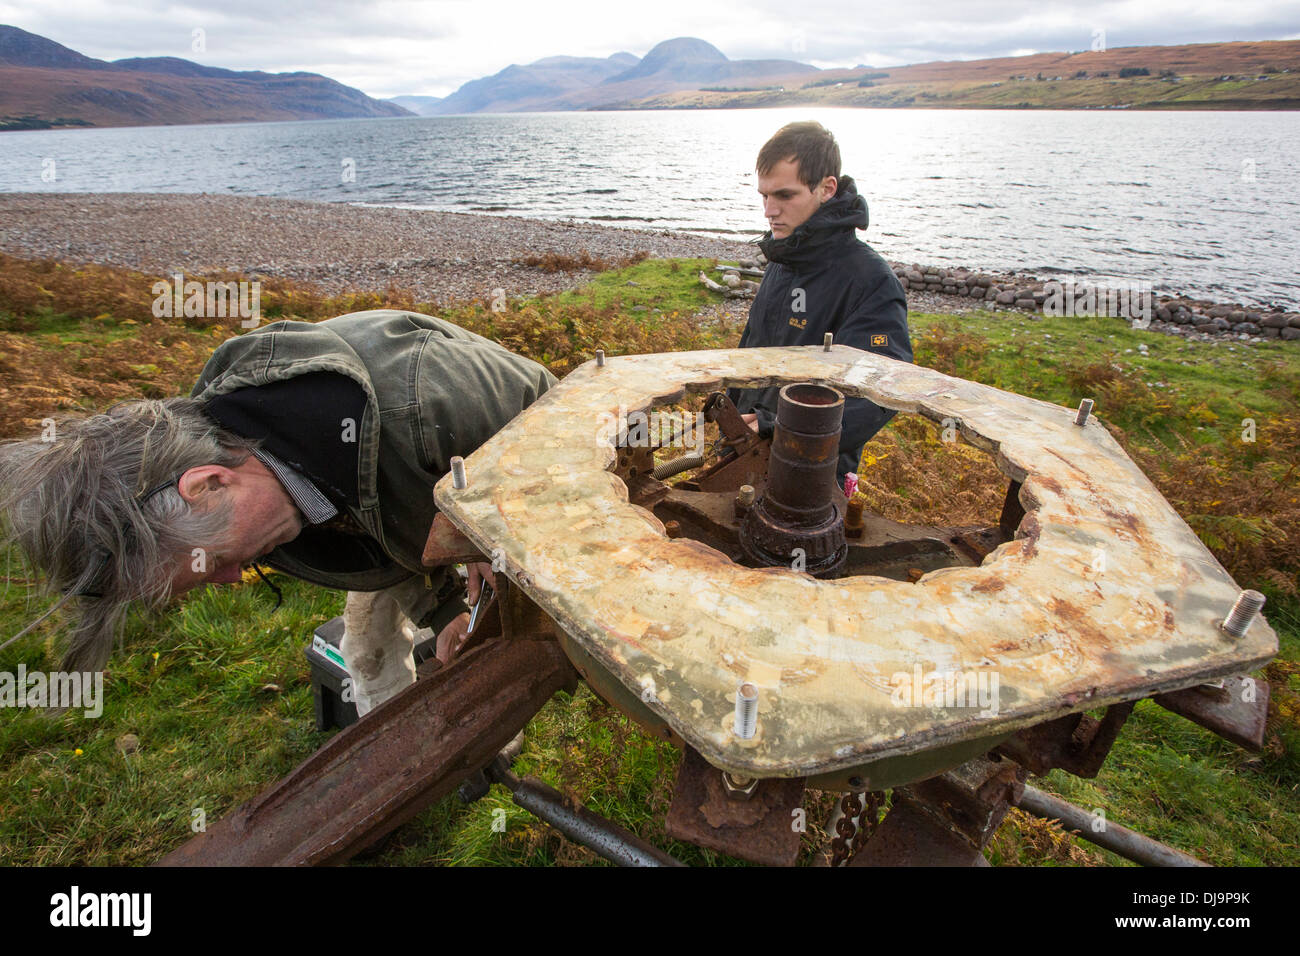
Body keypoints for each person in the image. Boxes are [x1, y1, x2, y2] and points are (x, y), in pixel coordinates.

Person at [1, 309, 554, 715]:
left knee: (514, 632)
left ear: (210, 484)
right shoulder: (255, 497)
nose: (235, 576)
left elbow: (561, 422)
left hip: (513, 480)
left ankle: (500, 725)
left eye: (212, 562)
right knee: (364, 648)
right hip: (405, 505)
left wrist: (499, 532)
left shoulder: (426, 396)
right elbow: (386, 545)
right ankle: (421, 749)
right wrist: (448, 611)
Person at [727, 121, 913, 485]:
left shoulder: (869, 280)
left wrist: (778, 427)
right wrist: (732, 415)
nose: (769, 210)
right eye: (764, 196)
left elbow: (883, 387)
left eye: (784, 196)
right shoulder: (782, 260)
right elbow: (753, 346)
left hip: (811, 474)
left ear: (827, 188)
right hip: (741, 451)